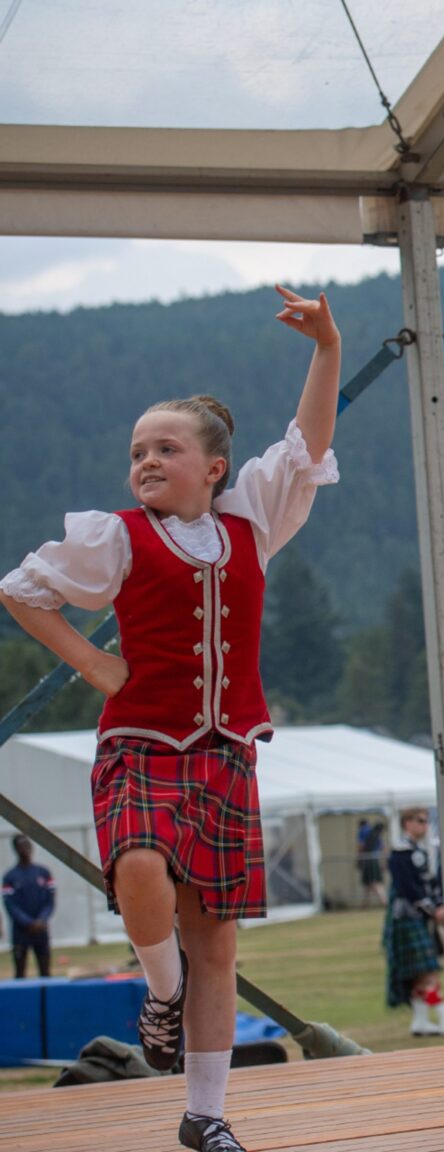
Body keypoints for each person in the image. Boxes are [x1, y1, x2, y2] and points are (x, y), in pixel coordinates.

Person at [0, 286, 339, 1152]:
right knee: (139, 864)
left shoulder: (252, 522)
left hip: (228, 752)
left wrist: (327, 348)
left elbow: (307, 444)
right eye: (137, 451)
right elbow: (22, 591)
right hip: (142, 742)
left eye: (165, 448)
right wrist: (92, 661)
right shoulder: (115, 536)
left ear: (213, 467)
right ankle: (159, 993)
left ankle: (206, 1116)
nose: (145, 461)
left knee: (217, 945)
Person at [382, 808, 444, 1036]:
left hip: (419, 917)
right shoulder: (400, 851)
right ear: (407, 823)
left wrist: (437, 905)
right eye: (420, 821)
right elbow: (408, 888)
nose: (425, 826)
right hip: (408, 917)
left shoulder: (420, 850)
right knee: (428, 970)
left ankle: (420, 1022)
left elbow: (428, 883)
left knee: (422, 974)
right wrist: (432, 910)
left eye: (426, 821)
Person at [4, 835, 56, 978]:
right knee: (20, 972)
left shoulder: (43, 872)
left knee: (45, 971)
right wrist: (27, 923)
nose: (26, 849)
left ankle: (46, 999)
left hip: (41, 930)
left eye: (28, 845)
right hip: (21, 932)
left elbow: (50, 901)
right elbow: (10, 905)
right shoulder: (10, 876)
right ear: (16, 849)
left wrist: (41, 920)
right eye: (22, 846)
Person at [356, 817, 386, 906]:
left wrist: (359, 858)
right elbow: (382, 847)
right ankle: (365, 903)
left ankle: (384, 901)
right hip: (375, 858)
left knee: (374, 881)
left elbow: (361, 846)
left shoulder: (363, 831)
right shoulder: (374, 832)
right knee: (367, 882)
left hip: (367, 859)